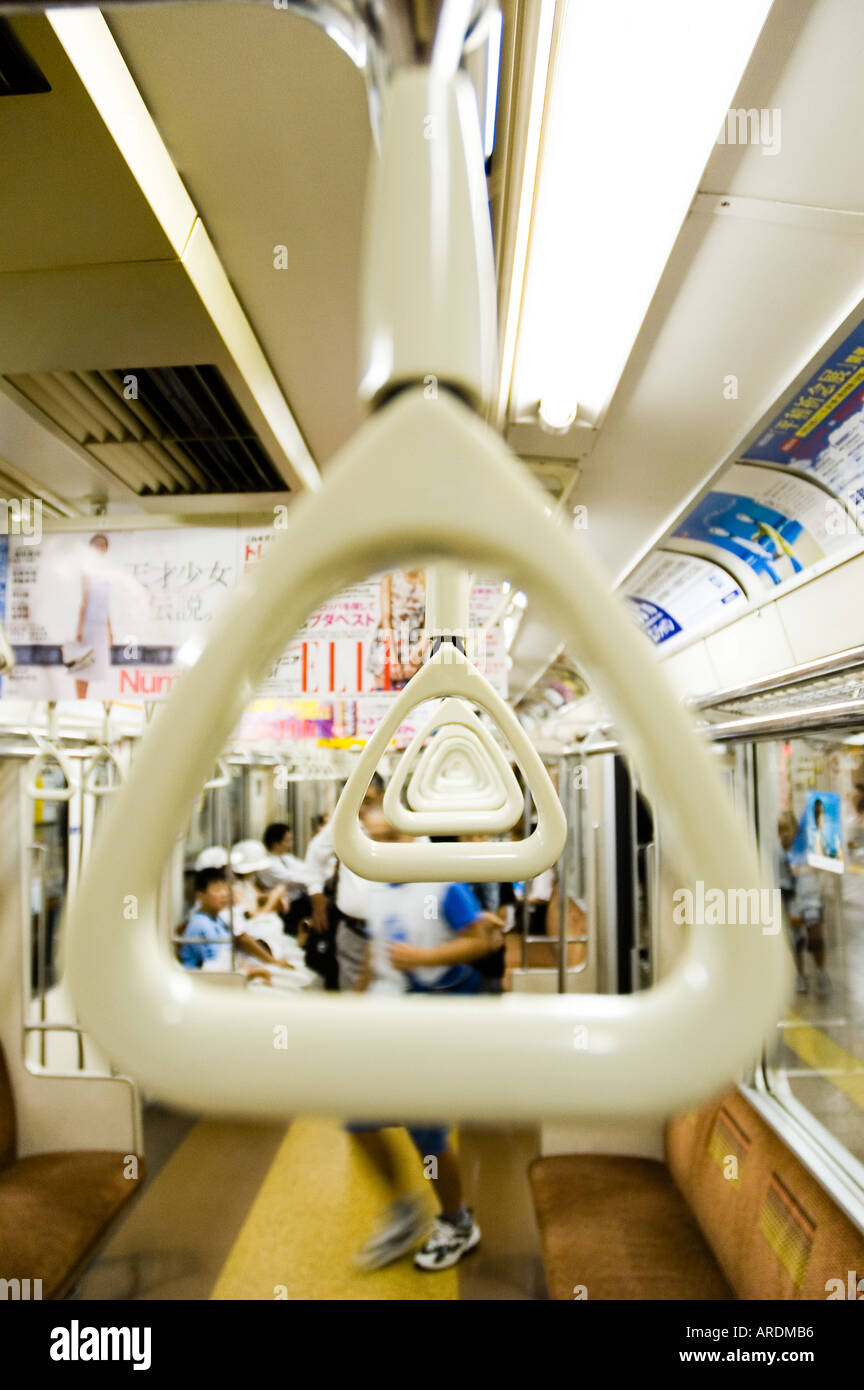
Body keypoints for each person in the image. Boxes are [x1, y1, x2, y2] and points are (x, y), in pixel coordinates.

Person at [348, 810, 503, 1272]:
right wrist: (349, 1012)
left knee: (426, 1128)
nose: (382, 846)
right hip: (389, 1018)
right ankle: (402, 1210)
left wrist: (425, 956)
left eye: (389, 836)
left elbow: (481, 941)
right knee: (359, 1118)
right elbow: (376, 959)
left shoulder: (442, 883)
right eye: (374, 839)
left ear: (408, 834)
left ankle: (456, 1222)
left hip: (435, 1014)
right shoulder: (378, 888)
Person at [305, 776, 384, 990]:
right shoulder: (343, 825)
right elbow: (314, 855)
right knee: (353, 996)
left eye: (367, 801)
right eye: (356, 801)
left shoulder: (401, 826)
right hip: (353, 930)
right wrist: (317, 896)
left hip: (392, 934)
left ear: (382, 797)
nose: (362, 808)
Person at [179, 867, 278, 982]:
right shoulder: (201, 924)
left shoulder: (217, 919)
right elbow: (215, 967)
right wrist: (254, 972)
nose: (224, 894)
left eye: (225, 889)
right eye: (217, 890)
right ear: (200, 896)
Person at [777, 812, 830, 998]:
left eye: (787, 829)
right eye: (780, 830)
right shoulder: (779, 853)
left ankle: (821, 972)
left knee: (815, 937)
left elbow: (823, 865)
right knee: (797, 941)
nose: (784, 834)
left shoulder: (807, 848)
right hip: (792, 901)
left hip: (811, 898)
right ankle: (800, 975)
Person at [74, 534, 113, 700]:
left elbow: (106, 604)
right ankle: (79, 700)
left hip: (100, 624)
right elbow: (84, 601)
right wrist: (80, 627)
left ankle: (85, 700)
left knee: (95, 665)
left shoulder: (107, 573)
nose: (100, 548)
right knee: (83, 664)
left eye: (102, 545)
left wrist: (110, 629)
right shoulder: (86, 571)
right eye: (96, 545)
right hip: (89, 623)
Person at [259, 823, 314, 935]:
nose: (290, 844)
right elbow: (294, 878)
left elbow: (306, 870)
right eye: (287, 840)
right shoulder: (268, 865)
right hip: (289, 907)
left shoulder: (286, 858)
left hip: (300, 900)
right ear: (276, 844)